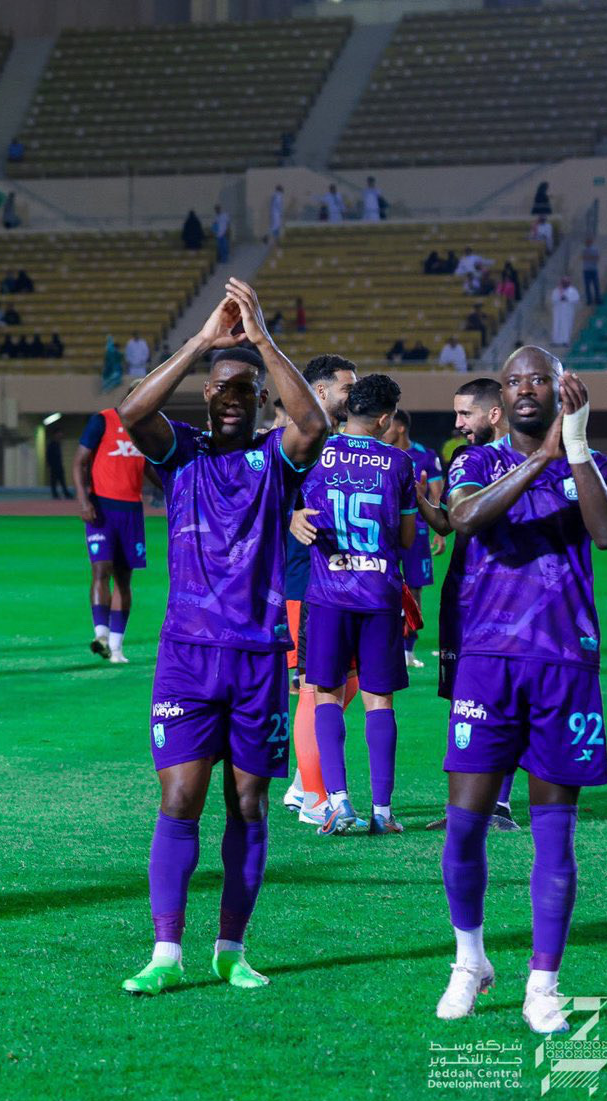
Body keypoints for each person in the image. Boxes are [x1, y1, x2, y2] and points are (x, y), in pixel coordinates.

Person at [116, 279, 327, 997]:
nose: (233, 395)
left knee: (249, 803)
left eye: (245, 389)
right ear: (206, 398)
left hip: (260, 658)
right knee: (179, 797)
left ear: (259, 401)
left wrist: (260, 339)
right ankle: (165, 950)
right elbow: (131, 410)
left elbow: (315, 422)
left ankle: (230, 948)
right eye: (221, 388)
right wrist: (205, 343)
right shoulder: (181, 458)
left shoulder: (276, 461)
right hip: (186, 656)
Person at [432, 347, 607, 1034]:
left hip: (564, 664)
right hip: (488, 661)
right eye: (512, 380)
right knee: (463, 827)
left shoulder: (597, 466)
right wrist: (540, 458)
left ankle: (543, 984)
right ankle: (470, 959)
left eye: (537, 378)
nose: (523, 389)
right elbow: (464, 518)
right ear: (502, 395)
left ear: (561, 385)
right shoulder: (476, 460)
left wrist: (570, 448)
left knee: (555, 836)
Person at [291, 373, 417, 835]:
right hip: (380, 594)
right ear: (385, 418)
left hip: (327, 595)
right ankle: (382, 811)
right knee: (378, 700)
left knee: (325, 693)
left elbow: (284, 501)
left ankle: (338, 804)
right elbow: (404, 539)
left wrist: (292, 518)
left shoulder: (316, 453)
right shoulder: (400, 464)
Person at [418, 377, 521, 834]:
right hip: (466, 595)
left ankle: (498, 803)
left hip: (511, 598)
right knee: (466, 701)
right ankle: (467, 806)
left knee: (509, 699)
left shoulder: (512, 459)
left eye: (465, 414)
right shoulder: (467, 459)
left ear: (493, 413)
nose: (458, 423)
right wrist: (421, 503)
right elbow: (451, 523)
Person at [275, 355, 358, 827]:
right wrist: (287, 513)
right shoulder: (298, 439)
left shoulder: (343, 441)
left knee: (354, 678)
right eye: (348, 387)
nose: (354, 394)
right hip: (306, 581)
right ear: (321, 392)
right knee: (314, 688)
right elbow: (258, 489)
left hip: (346, 581)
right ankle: (314, 795)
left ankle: (304, 782)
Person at [76, 403, 151, 664]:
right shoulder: (102, 420)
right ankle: (101, 636)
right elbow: (80, 462)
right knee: (101, 570)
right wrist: (84, 501)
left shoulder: (146, 428)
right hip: (102, 507)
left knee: (123, 578)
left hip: (132, 510)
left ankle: (117, 649)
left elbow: (152, 468)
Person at [385, 408, 444, 670]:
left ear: (399, 427)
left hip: (417, 531)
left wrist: (438, 529)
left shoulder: (425, 456)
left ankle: (409, 647)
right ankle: (389, 642)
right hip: (387, 529)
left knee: (415, 587)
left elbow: (437, 495)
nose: (383, 429)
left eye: (388, 426)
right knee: (385, 584)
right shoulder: (382, 454)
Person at [549, 277, 581, 347]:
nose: (564, 283)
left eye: (566, 282)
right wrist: (559, 297)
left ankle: (565, 341)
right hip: (558, 311)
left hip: (568, 311)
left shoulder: (573, 290)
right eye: (563, 282)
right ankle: (555, 341)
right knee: (557, 325)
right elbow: (553, 299)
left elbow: (576, 299)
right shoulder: (556, 290)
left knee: (566, 326)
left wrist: (567, 298)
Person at [580, 239, 601, 304]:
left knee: (596, 285)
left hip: (593, 269)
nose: (587, 243)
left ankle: (598, 299)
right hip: (586, 270)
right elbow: (583, 257)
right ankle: (589, 300)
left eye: (588, 242)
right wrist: (591, 257)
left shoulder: (595, 249)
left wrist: (589, 257)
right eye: (586, 242)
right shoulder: (584, 250)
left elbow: (597, 258)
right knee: (587, 286)